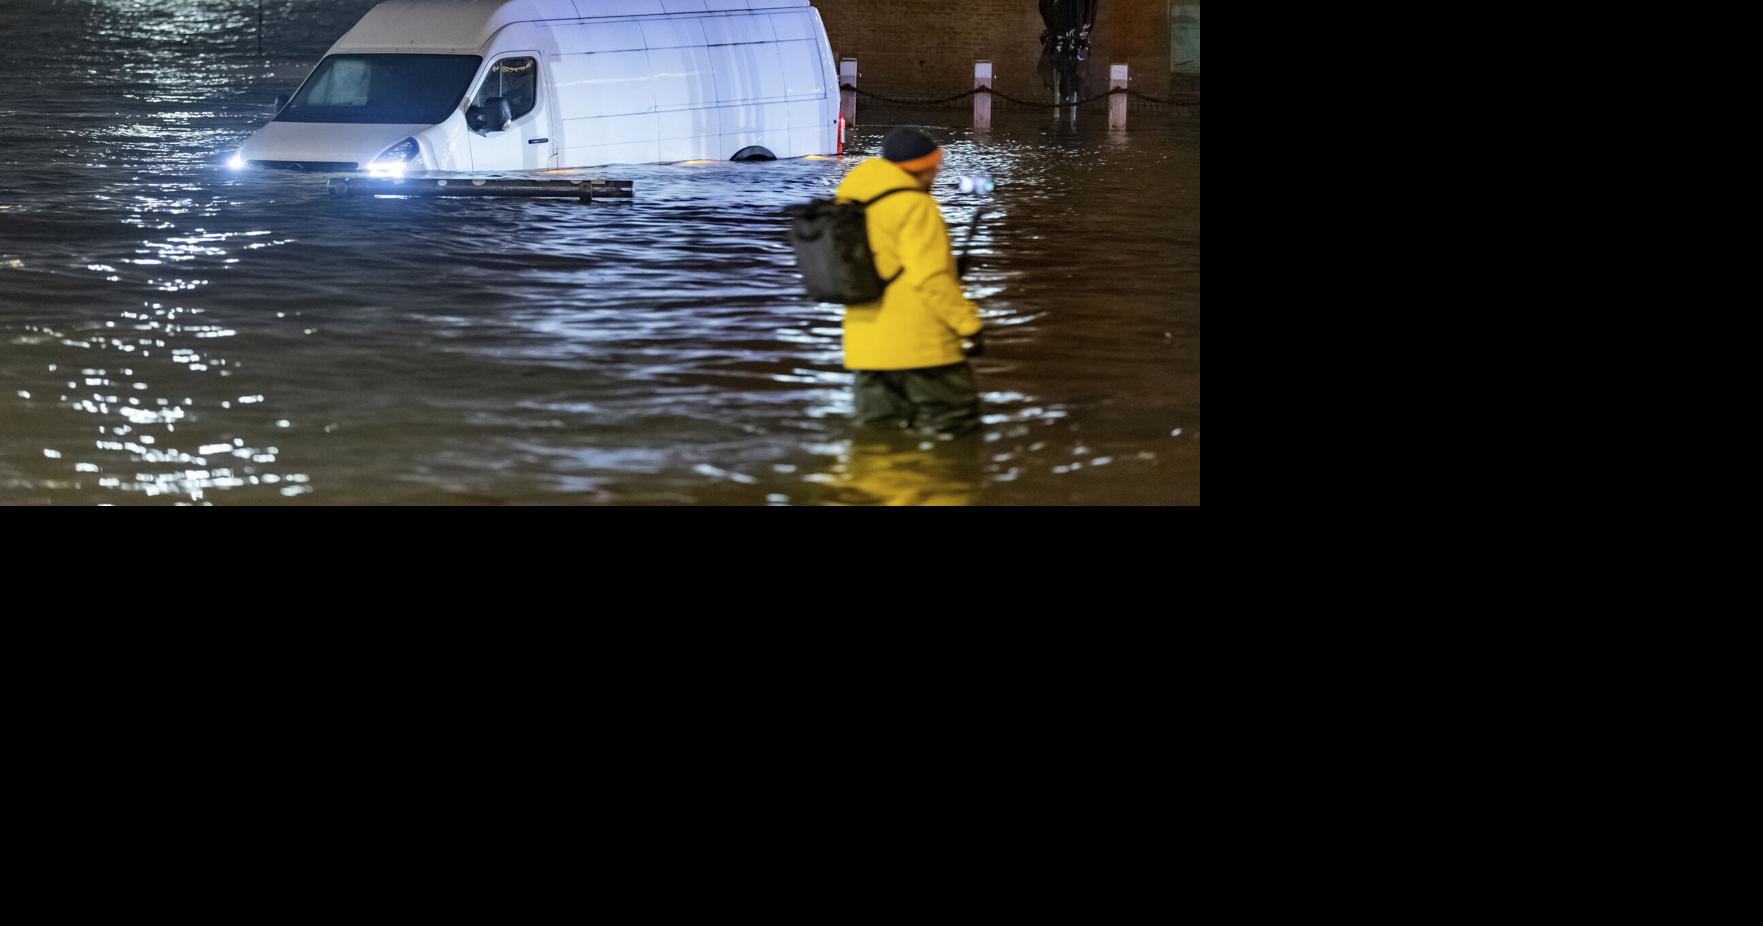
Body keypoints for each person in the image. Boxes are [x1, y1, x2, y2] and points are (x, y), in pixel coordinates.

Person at [834, 127, 984, 436]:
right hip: (922, 349)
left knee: (877, 441)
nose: (938, 172)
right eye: (935, 165)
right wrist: (968, 325)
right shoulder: (916, 207)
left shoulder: (850, 203)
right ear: (922, 167)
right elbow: (930, 279)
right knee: (956, 432)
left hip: (866, 351)